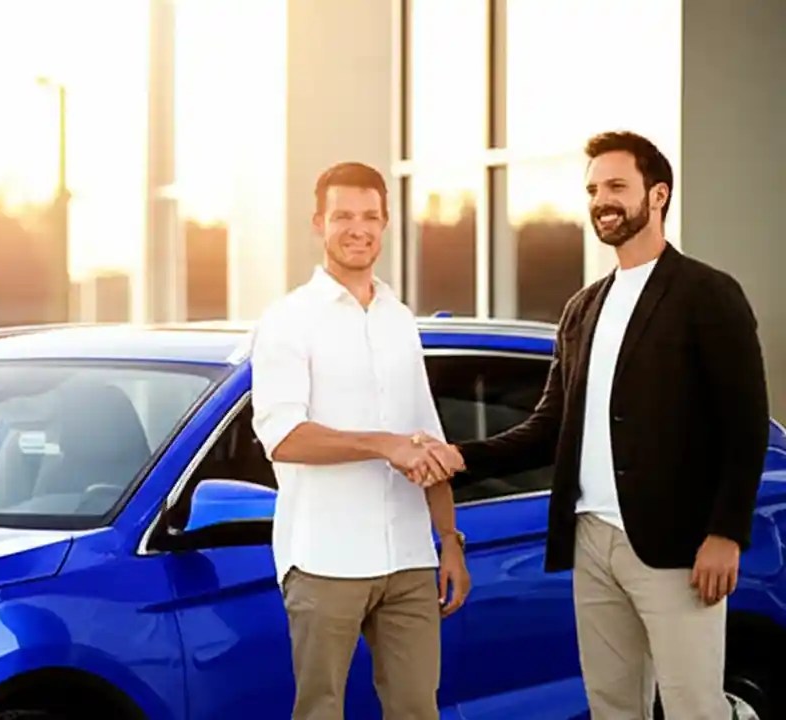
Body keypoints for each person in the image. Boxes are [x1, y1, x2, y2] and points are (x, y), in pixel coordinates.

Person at [446, 130, 769, 719]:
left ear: (659, 194)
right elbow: (548, 426)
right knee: (611, 705)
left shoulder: (708, 294)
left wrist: (726, 534)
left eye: (617, 185)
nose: (602, 200)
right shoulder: (583, 306)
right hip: (592, 539)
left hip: (677, 545)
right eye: (593, 189)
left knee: (694, 706)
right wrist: (459, 459)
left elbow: (744, 426)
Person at [250, 161, 468, 720]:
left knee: (419, 710)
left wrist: (448, 538)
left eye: (370, 216)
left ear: (386, 223)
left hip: (410, 558)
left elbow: (427, 436)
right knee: (321, 710)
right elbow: (283, 437)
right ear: (318, 222)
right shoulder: (287, 320)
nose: (358, 228)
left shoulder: (399, 319)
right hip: (325, 558)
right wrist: (382, 445)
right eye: (343, 215)